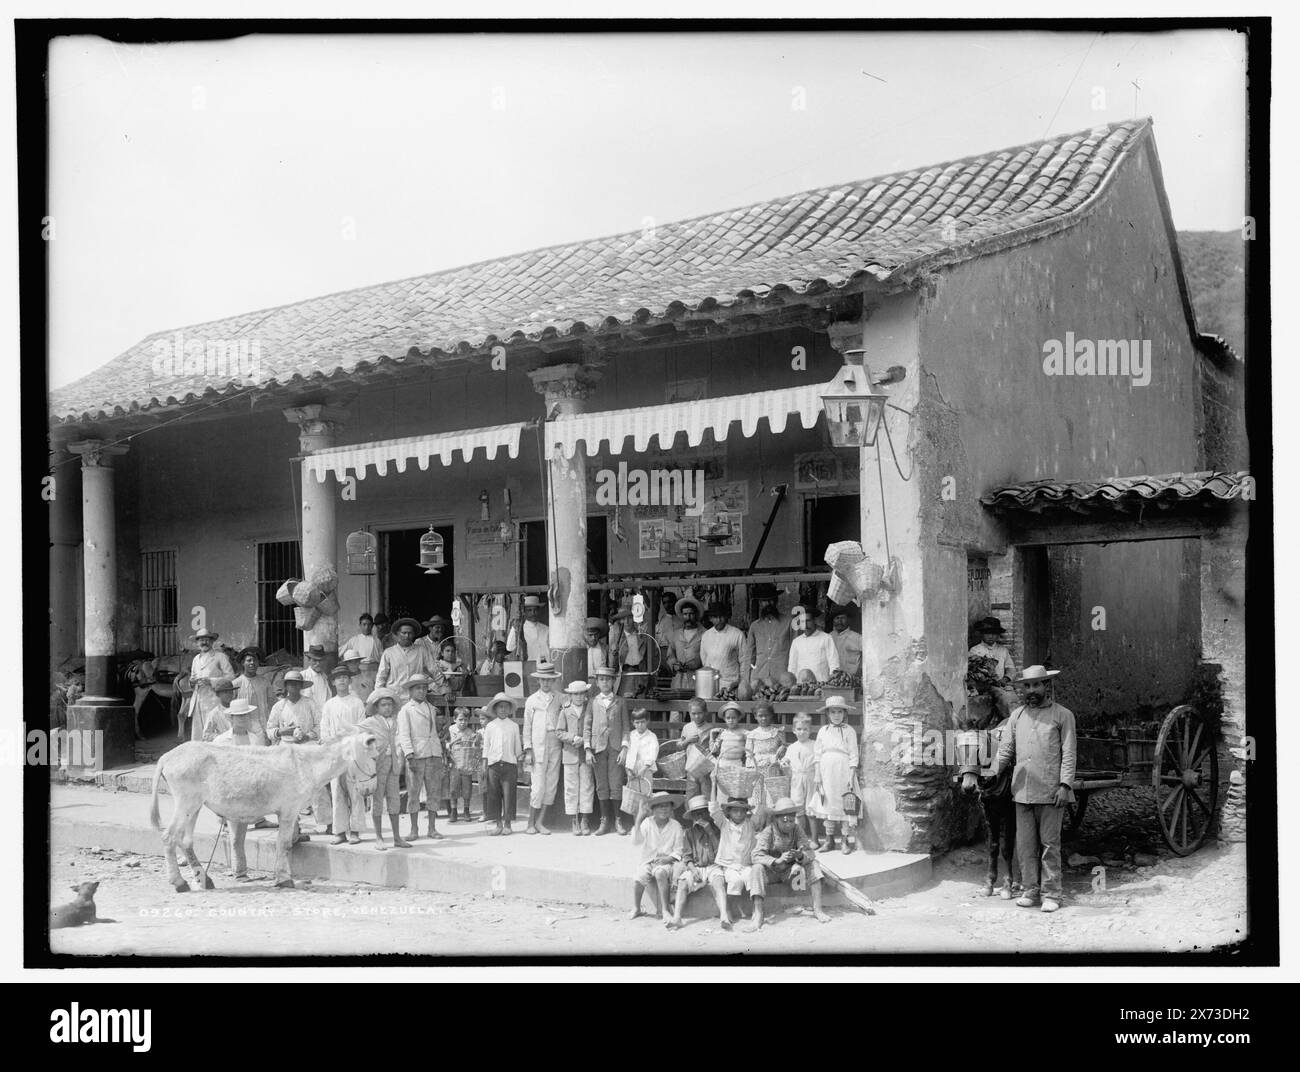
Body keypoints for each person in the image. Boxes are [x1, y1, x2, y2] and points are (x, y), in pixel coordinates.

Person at [992, 665, 1076, 914]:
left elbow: (1069, 753)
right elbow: (1005, 751)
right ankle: (1030, 890)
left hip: (1051, 792)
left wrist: (1065, 785)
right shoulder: (1016, 716)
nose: (1031, 690)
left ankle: (1052, 893)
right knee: (1026, 845)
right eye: (1027, 686)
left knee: (1049, 844)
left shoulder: (1063, 716)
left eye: (1036, 685)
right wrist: (990, 774)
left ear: (1046, 686)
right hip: (1022, 791)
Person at [751, 796, 830, 928]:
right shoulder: (768, 832)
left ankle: (818, 909)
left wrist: (800, 856)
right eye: (784, 821)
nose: (788, 825)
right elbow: (755, 856)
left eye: (791, 821)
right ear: (776, 819)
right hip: (772, 873)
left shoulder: (797, 829)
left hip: (790, 872)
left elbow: (810, 853)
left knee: (814, 864)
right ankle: (758, 914)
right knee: (756, 868)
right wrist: (776, 860)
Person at [266, 670, 323, 843]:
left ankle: (326, 822)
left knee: (316, 786)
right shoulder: (279, 706)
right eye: (290, 684)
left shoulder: (310, 703)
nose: (294, 687)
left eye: (297, 684)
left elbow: (320, 726)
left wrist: (307, 736)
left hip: (306, 747)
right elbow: (269, 730)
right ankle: (293, 826)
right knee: (288, 791)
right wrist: (283, 731)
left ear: (301, 686)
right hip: (285, 749)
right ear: (285, 686)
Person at [707, 788, 769, 931]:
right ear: (728, 812)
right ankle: (729, 910)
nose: (739, 814)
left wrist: (763, 785)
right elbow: (713, 808)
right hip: (730, 865)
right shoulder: (724, 823)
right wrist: (713, 783)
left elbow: (761, 809)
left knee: (751, 877)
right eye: (735, 811)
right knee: (734, 881)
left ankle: (756, 910)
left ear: (746, 812)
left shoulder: (751, 823)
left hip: (746, 864)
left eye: (742, 811)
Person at [319, 663, 367, 844]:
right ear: (333, 682)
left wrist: (349, 735)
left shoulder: (356, 702)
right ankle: (339, 831)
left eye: (345, 677)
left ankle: (355, 831)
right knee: (337, 791)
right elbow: (324, 730)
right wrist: (332, 739)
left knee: (355, 792)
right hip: (335, 753)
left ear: (349, 681)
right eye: (338, 678)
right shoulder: (329, 705)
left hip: (353, 752)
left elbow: (362, 727)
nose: (342, 680)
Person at [359, 687, 410, 851]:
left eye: (389, 704)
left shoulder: (396, 721)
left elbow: (401, 738)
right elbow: (359, 734)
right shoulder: (371, 722)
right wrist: (369, 747)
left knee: (394, 800)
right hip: (378, 765)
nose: (387, 708)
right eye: (383, 705)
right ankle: (379, 837)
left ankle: (397, 837)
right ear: (376, 707)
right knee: (378, 800)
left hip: (393, 765)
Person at [397, 673, 446, 841]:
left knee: (433, 792)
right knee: (413, 793)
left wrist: (440, 751)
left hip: (433, 753)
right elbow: (403, 735)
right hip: (416, 756)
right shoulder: (406, 710)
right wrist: (409, 755)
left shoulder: (431, 708)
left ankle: (432, 828)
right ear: (410, 691)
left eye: (424, 688)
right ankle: (414, 829)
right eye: (418, 688)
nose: (422, 691)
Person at [584, 663, 630, 836]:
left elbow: (626, 727)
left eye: (608, 680)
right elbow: (587, 727)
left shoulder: (620, 702)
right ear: (597, 682)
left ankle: (618, 820)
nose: (605, 683)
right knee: (602, 785)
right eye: (601, 679)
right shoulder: (592, 702)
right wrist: (588, 749)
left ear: (613, 682)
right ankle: (605, 821)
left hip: (616, 749)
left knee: (616, 784)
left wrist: (625, 748)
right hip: (598, 749)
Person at [813, 695, 860, 855]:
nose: (836, 715)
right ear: (828, 714)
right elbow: (817, 755)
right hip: (826, 772)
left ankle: (845, 840)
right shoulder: (823, 731)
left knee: (845, 803)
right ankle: (829, 839)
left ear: (845, 713)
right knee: (828, 803)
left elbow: (854, 754)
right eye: (833, 712)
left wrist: (851, 776)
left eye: (840, 712)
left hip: (843, 770)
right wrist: (817, 774)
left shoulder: (850, 731)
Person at [521, 659, 563, 835]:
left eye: (549, 679)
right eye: (543, 679)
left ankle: (540, 822)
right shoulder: (532, 701)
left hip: (555, 744)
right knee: (537, 786)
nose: (546, 683)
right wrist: (528, 749)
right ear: (538, 680)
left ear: (553, 680)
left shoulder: (560, 697)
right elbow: (527, 727)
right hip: (538, 746)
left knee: (551, 784)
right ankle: (530, 823)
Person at [629, 792, 684, 925]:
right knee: (639, 875)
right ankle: (636, 907)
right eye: (659, 806)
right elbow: (636, 841)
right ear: (653, 810)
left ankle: (665, 910)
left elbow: (679, 850)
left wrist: (668, 859)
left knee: (660, 873)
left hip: (666, 862)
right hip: (648, 860)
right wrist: (639, 819)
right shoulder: (647, 823)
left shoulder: (676, 826)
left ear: (671, 809)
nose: (664, 809)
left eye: (666, 806)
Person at [667, 794, 721, 930]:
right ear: (693, 817)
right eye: (696, 815)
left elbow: (720, 852)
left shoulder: (717, 830)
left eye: (703, 813)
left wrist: (709, 831)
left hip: (714, 866)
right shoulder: (690, 833)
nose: (700, 817)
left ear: (709, 814)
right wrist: (693, 869)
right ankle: (677, 917)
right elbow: (687, 856)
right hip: (696, 867)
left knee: (719, 882)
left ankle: (725, 915)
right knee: (682, 882)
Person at [183, 628, 236, 741]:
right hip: (199, 700)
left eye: (207, 639)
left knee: (215, 733)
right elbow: (192, 678)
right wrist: (191, 682)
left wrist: (211, 681)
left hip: (214, 700)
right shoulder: (196, 659)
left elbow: (231, 677)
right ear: (197, 643)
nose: (204, 642)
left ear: (212, 642)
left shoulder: (220, 657)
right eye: (201, 640)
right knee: (199, 734)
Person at [482, 692, 523, 836]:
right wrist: (484, 765)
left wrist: (519, 762)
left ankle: (508, 824)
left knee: (509, 794)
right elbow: (486, 747)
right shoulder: (490, 726)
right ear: (495, 709)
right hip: (493, 765)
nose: (503, 710)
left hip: (509, 765)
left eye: (506, 707)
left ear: (509, 709)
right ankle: (498, 824)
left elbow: (517, 747)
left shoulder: (513, 726)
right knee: (494, 794)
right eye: (500, 707)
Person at [558, 680, 595, 835]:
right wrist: (572, 738)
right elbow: (559, 732)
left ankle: (585, 820)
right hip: (570, 754)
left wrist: (588, 744)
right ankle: (574, 820)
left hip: (586, 754)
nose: (579, 697)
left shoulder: (590, 709)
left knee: (587, 786)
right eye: (575, 694)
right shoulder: (565, 711)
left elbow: (594, 728)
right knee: (571, 788)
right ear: (570, 695)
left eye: (582, 693)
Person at [375, 617, 439, 702]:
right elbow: (381, 677)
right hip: (394, 698)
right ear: (398, 634)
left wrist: (445, 689)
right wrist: (378, 696)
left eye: (410, 633)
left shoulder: (421, 650)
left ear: (414, 634)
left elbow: (434, 670)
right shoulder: (389, 653)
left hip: (415, 699)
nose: (407, 636)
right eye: (404, 633)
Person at [745, 585, 790, 688]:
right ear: (760, 603)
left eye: (771, 600)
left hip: (782, 679)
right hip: (759, 678)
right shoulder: (755, 626)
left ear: (776, 601)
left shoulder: (788, 623)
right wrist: (746, 680)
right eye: (764, 601)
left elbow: (795, 651)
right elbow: (749, 656)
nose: (768, 604)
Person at [784, 714, 818, 841]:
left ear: (810, 730)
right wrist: (784, 762)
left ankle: (814, 839)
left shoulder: (814, 745)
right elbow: (786, 761)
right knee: (798, 810)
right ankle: (801, 839)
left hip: (810, 778)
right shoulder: (792, 747)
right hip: (796, 780)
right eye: (799, 729)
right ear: (794, 730)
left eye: (805, 729)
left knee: (811, 809)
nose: (802, 732)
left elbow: (819, 761)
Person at [746, 700, 787, 807]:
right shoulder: (752, 735)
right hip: (757, 768)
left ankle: (772, 817)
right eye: (760, 716)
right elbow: (749, 754)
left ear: (771, 715)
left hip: (773, 767)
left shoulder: (777, 732)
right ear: (755, 716)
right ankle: (757, 817)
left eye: (766, 715)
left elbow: (784, 746)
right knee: (757, 794)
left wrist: (783, 748)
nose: (764, 718)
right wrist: (750, 770)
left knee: (772, 794)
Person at [699, 602, 746, 692]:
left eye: (722, 616)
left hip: (731, 685)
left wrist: (741, 683)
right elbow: (704, 660)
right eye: (715, 617)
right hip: (710, 685)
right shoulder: (706, 635)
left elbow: (744, 661)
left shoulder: (737, 634)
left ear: (726, 617)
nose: (719, 620)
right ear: (710, 619)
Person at [447, 707, 481, 822]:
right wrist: (454, 741)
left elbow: (474, 748)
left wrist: (475, 741)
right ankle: (453, 810)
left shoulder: (470, 732)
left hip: (466, 763)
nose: (463, 722)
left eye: (465, 720)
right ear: (454, 719)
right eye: (460, 719)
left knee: (467, 788)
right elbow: (446, 746)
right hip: (454, 763)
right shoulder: (450, 730)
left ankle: (466, 810)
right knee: (453, 788)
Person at [788, 609, 839, 683]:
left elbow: (834, 663)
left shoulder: (826, 638)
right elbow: (792, 667)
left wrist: (833, 683)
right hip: (800, 687)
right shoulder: (796, 642)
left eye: (808, 621)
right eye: (802, 622)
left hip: (821, 685)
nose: (805, 625)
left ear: (814, 621)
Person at [664, 597, 705, 691]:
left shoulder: (705, 634)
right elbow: (670, 655)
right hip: (678, 681)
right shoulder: (676, 634)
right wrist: (674, 665)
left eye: (691, 614)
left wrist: (696, 663)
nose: (688, 617)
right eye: (685, 614)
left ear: (696, 615)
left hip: (698, 680)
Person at [680, 698, 717, 799]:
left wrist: (711, 749)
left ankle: (708, 813)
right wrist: (688, 740)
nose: (697, 716)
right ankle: (691, 813)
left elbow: (714, 748)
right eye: (693, 713)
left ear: (705, 712)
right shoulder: (687, 728)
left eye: (700, 713)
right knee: (691, 794)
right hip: (691, 767)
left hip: (705, 768)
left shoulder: (710, 728)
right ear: (689, 713)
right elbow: (679, 745)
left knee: (707, 793)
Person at [624, 708, 660, 811]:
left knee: (646, 795)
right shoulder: (631, 735)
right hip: (633, 769)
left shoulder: (651, 736)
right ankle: (637, 824)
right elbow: (627, 753)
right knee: (634, 797)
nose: (640, 725)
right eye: (637, 722)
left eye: (642, 722)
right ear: (633, 723)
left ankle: (647, 823)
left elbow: (653, 753)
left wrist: (644, 768)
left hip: (646, 769)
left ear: (647, 721)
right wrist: (628, 770)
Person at [232, 648, 274, 737]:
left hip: (263, 724)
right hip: (244, 727)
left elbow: (272, 703)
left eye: (255, 660)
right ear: (243, 663)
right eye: (249, 660)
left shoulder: (265, 682)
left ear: (258, 663)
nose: (252, 663)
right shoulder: (236, 683)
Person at [344, 613, 384, 696]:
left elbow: (382, 659)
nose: (366, 627)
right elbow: (343, 652)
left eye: (369, 625)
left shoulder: (377, 641)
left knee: (372, 694)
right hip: (358, 672)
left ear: (372, 626)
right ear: (360, 625)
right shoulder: (354, 640)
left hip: (373, 671)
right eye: (364, 624)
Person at [199, 677, 237, 741]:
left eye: (231, 692)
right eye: (225, 692)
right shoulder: (214, 713)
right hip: (224, 745)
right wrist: (222, 737)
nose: (229, 694)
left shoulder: (238, 708)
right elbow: (206, 735)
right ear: (218, 694)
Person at [829, 610, 863, 679]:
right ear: (833, 621)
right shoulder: (828, 637)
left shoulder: (857, 637)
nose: (839, 621)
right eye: (837, 618)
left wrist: (860, 669)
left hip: (852, 679)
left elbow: (868, 654)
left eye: (843, 618)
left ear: (848, 620)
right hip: (832, 680)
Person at [520, 595, 550, 663]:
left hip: (546, 668)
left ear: (539, 611)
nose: (533, 613)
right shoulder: (520, 630)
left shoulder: (546, 629)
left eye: (535, 610)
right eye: (529, 610)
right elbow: (509, 648)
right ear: (524, 612)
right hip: (528, 668)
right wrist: (515, 630)